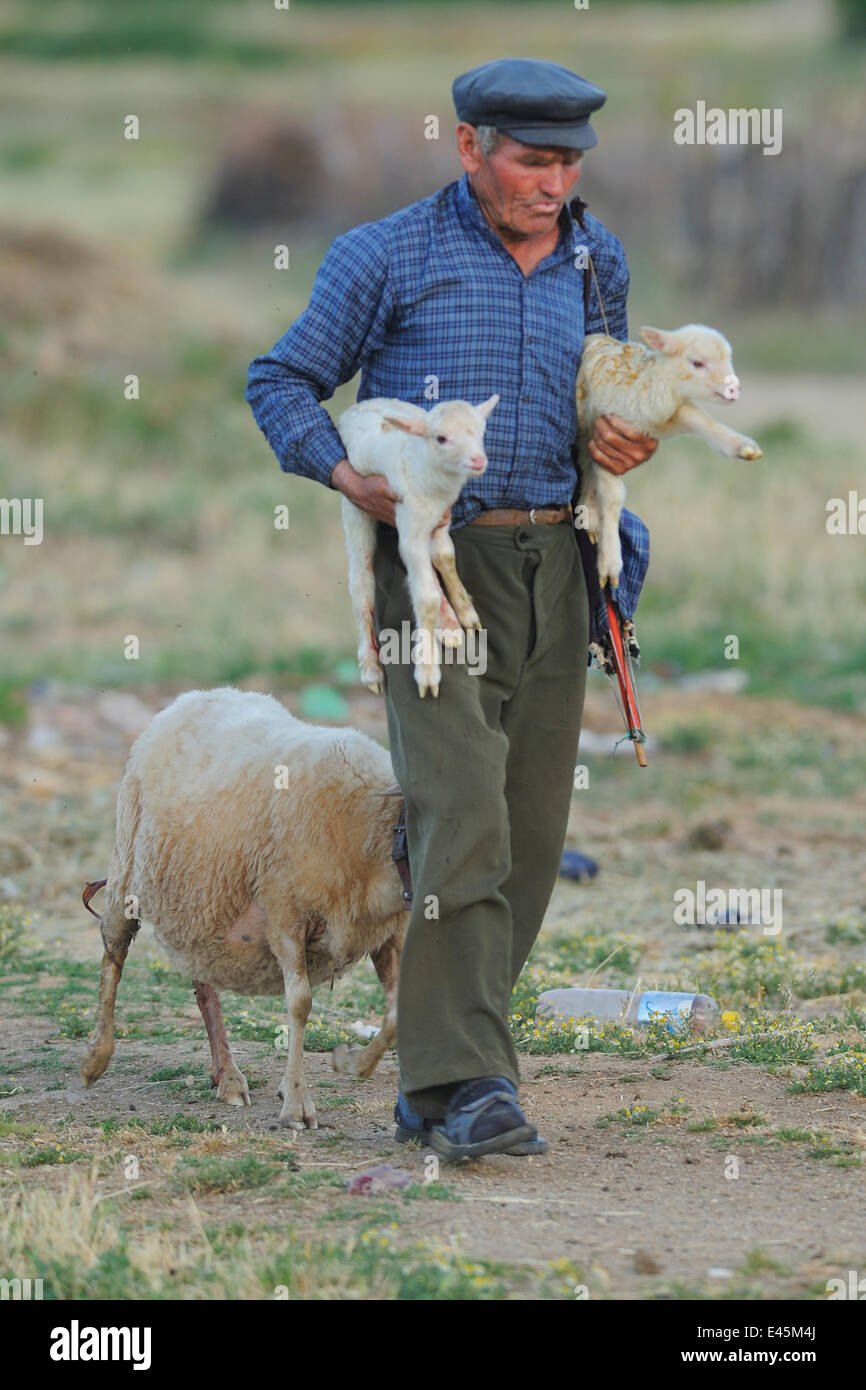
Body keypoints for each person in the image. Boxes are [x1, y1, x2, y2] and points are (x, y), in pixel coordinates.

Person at [246, 57, 656, 1160]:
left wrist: (622, 439)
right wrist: (345, 476)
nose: (553, 182)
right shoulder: (384, 255)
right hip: (425, 573)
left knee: (526, 833)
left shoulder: (592, 256)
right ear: (469, 144)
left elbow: (598, 405)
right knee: (460, 809)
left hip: (557, 564)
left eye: (569, 161)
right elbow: (280, 379)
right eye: (531, 160)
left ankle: (430, 1080)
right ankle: (474, 1082)